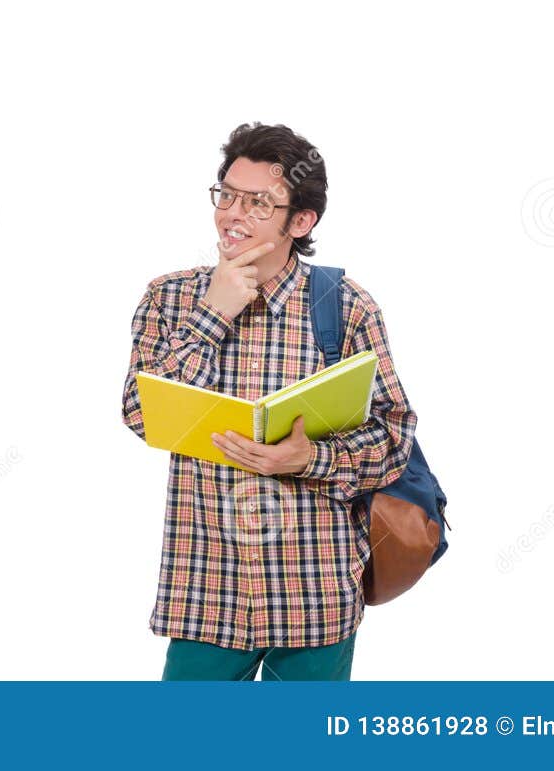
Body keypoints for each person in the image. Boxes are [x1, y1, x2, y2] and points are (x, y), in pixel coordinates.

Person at [121, 123, 417, 681]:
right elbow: (140, 414)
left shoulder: (346, 306)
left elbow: (394, 436)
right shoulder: (169, 297)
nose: (233, 214)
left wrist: (311, 460)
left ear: (301, 221)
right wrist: (212, 315)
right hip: (207, 590)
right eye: (226, 195)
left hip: (315, 593)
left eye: (258, 204)